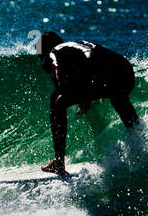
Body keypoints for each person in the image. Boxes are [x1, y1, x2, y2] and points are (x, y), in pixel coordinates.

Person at [36, 31, 140, 174]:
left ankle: (59, 161)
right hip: (125, 70)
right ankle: (140, 139)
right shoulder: (75, 45)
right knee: (117, 96)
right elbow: (92, 62)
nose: (42, 62)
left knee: (57, 102)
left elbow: (56, 66)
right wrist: (84, 97)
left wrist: (62, 90)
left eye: (40, 56)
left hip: (101, 73)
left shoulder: (55, 51)